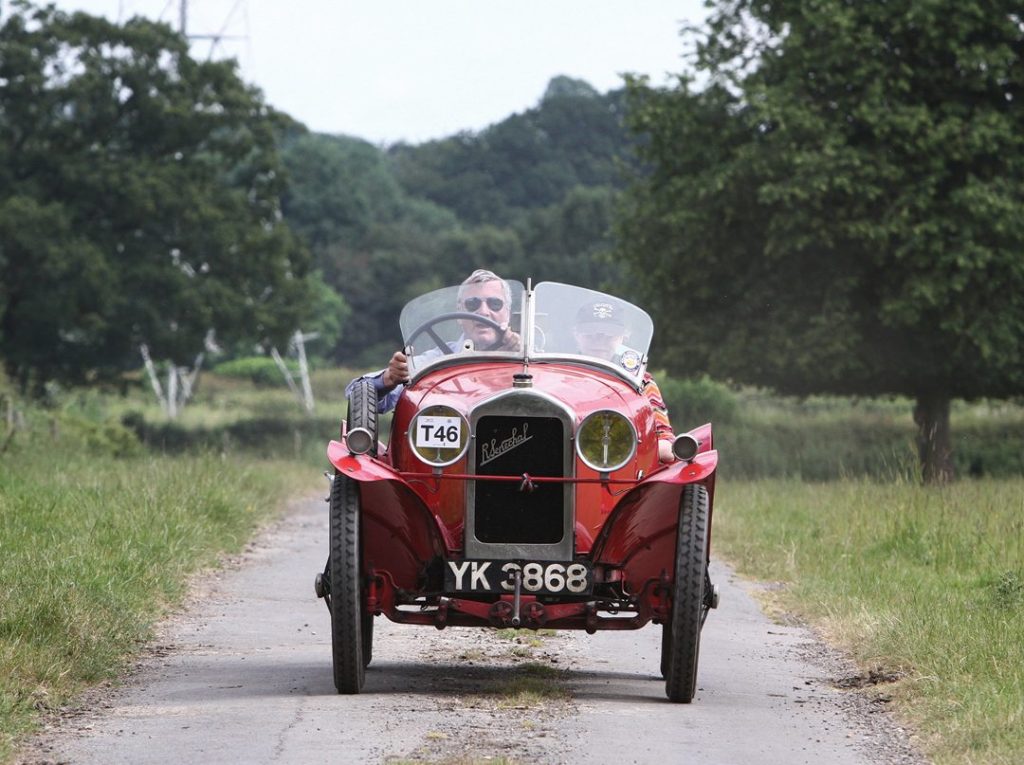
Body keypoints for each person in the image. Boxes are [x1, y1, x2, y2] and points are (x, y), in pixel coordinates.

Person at [346, 269, 522, 414]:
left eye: (495, 304)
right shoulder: (435, 361)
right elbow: (355, 392)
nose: (484, 312)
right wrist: (389, 378)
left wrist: (519, 355)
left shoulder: (535, 361)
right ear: (460, 313)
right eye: (473, 304)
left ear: (507, 312)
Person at [573, 300, 676, 463]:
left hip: (625, 469)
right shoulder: (557, 378)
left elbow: (664, 438)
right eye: (591, 334)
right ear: (576, 334)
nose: (599, 341)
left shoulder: (641, 380)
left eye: (609, 335)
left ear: (623, 337)